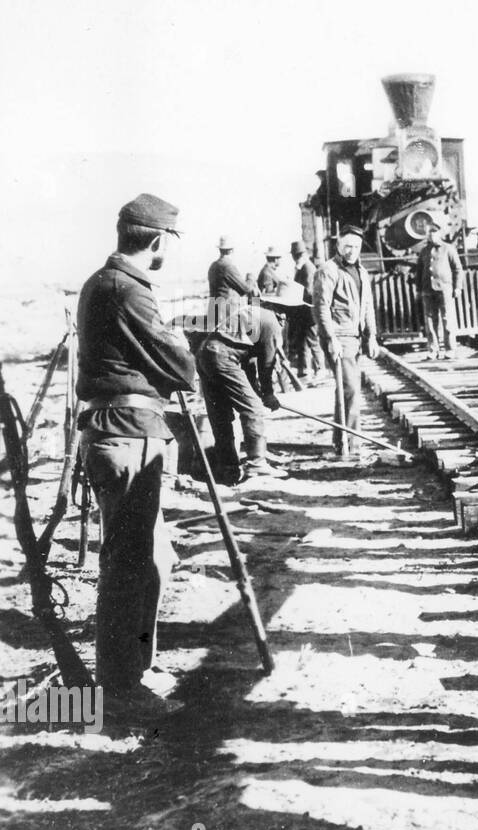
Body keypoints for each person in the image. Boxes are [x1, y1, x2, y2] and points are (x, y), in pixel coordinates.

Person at [76, 193, 194, 721]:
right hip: (128, 433)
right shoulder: (128, 290)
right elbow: (179, 363)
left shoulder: (105, 283)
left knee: (154, 557)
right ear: (156, 239)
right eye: (171, 239)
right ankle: (119, 687)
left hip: (125, 429)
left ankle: (133, 670)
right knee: (129, 562)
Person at [197, 285, 289, 484]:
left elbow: (247, 363)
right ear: (282, 310)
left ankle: (228, 468)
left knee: (220, 415)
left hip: (205, 355)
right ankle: (256, 465)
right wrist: (267, 394)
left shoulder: (253, 313)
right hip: (222, 358)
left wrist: (257, 391)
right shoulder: (271, 322)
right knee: (254, 409)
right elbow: (267, 364)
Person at [312, 225, 377, 459]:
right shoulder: (328, 270)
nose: (352, 251)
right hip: (339, 336)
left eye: (357, 247)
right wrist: (331, 339)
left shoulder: (362, 271)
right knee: (351, 388)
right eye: (348, 246)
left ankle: (342, 441)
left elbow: (367, 306)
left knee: (347, 389)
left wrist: (372, 337)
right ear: (339, 246)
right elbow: (321, 307)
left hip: (356, 336)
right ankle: (352, 443)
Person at [415, 222, 463, 359]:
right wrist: (418, 289)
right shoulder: (424, 251)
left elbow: (458, 269)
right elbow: (419, 271)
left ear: (440, 233)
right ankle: (433, 350)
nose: (432, 235)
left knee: (447, 319)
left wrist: (458, 287)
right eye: (429, 233)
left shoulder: (448, 249)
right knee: (430, 321)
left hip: (444, 289)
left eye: (434, 232)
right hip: (427, 290)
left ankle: (450, 349)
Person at [289, 240, 324, 382]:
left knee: (313, 341)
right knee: (304, 342)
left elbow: (309, 291)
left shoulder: (307, 268)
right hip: (303, 313)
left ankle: (320, 370)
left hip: (309, 312)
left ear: (303, 255)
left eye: (297, 255)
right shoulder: (302, 268)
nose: (296, 258)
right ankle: (306, 372)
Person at [208, 235, 255, 309]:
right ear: (231, 251)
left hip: (213, 311)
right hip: (226, 314)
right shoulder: (228, 266)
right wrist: (250, 279)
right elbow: (245, 289)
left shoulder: (213, 265)